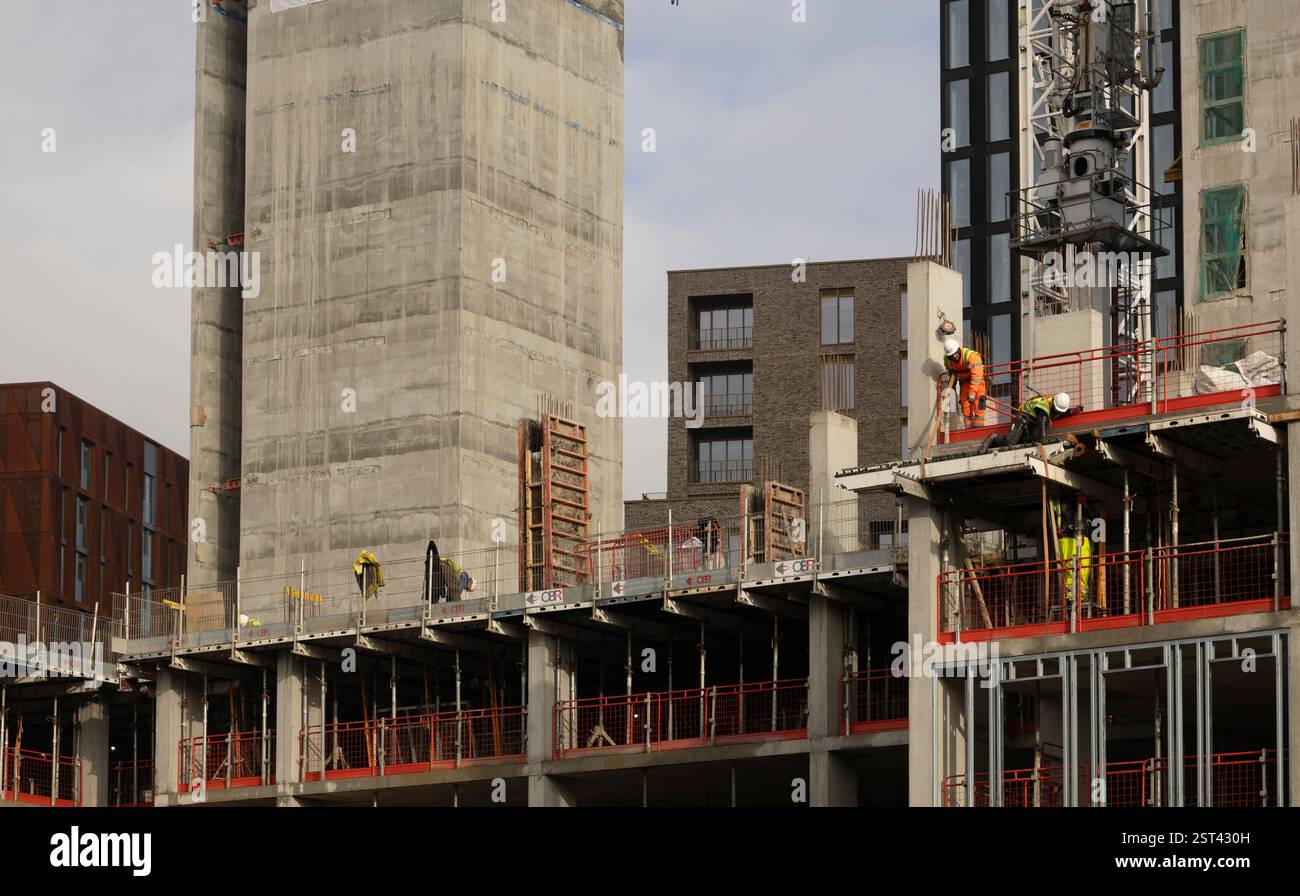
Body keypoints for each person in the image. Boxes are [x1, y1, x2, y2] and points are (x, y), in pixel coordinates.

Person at [982, 392, 1074, 451]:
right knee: (1010, 442)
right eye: (1057, 410)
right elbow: (1040, 425)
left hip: (1032, 422)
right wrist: (1044, 443)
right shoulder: (1043, 407)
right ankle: (993, 439)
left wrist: (1072, 411)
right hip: (1022, 419)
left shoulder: (1053, 405)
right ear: (1054, 403)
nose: (1057, 412)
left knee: (1029, 439)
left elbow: (1058, 414)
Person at [942, 337, 987, 428]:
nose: (954, 357)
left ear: (959, 349)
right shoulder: (947, 360)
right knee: (966, 408)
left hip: (978, 383)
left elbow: (977, 376)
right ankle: (968, 429)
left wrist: (972, 392)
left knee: (978, 406)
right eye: (951, 355)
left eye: (955, 354)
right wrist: (952, 390)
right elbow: (951, 375)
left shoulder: (971, 356)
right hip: (964, 383)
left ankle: (979, 428)